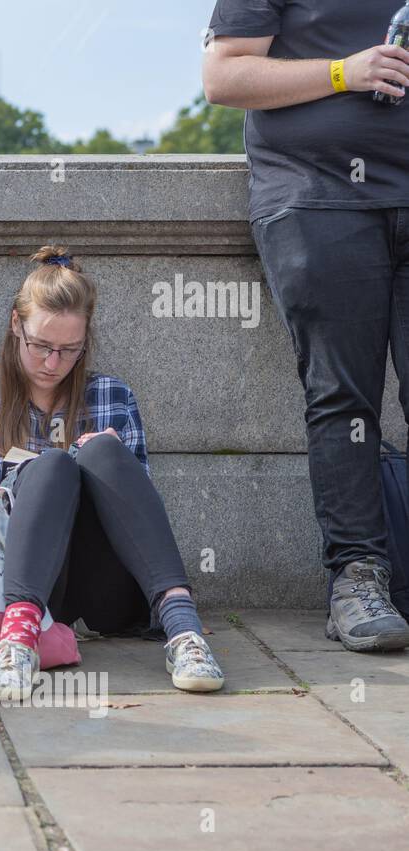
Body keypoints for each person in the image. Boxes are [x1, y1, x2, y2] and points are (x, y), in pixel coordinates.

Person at [0, 247, 226, 701]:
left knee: (98, 451)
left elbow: (141, 519)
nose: (52, 363)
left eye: (69, 350)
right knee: (53, 464)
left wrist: (105, 461)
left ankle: (184, 631)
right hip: (4, 576)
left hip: (102, 585)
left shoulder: (112, 397)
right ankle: (18, 643)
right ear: (14, 326)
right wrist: (15, 487)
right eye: (40, 345)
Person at [204, 0, 409, 652]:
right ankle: (357, 578)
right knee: (344, 397)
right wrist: (346, 73)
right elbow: (224, 77)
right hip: (321, 194)